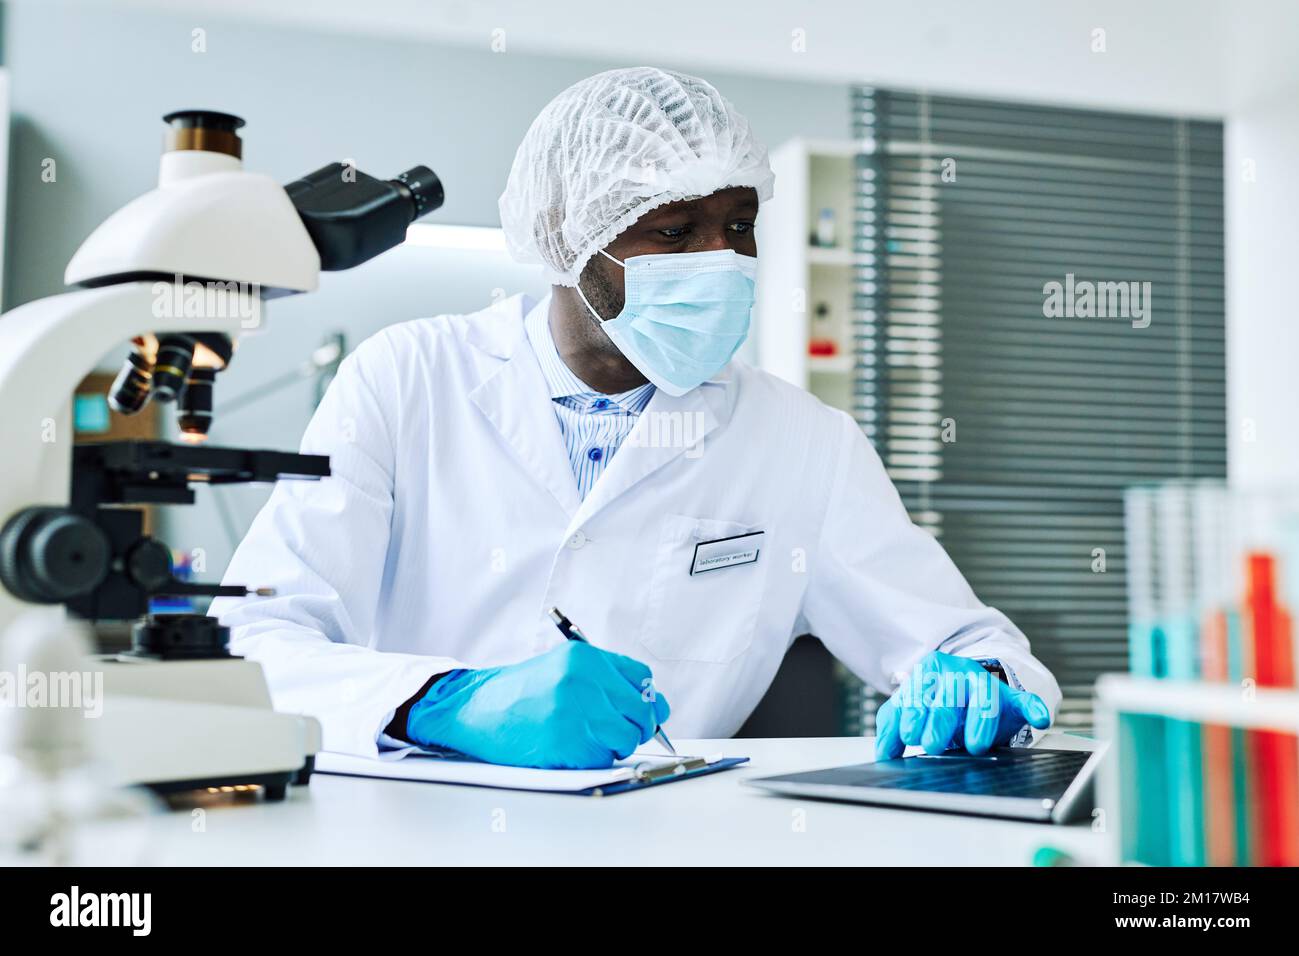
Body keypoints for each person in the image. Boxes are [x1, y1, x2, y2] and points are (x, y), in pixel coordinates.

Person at [211, 67, 1059, 769]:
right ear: (563, 235)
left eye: (738, 226)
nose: (719, 260)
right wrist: (445, 702)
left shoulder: (805, 444)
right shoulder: (406, 379)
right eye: (675, 230)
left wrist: (976, 682)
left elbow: (972, 642)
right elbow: (251, 643)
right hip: (414, 825)